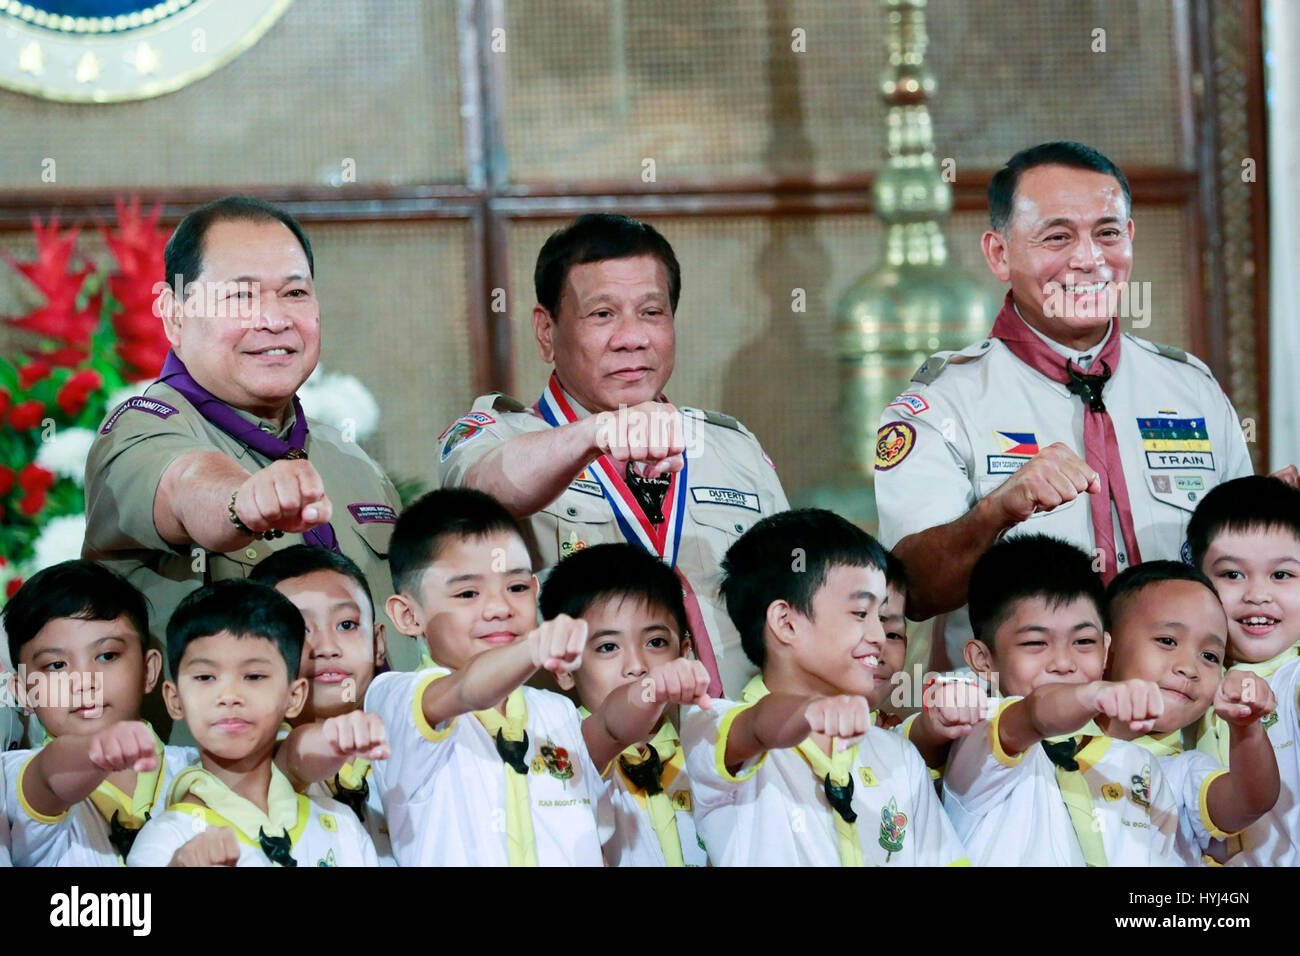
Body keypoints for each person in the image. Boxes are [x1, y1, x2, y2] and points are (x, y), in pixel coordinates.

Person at [873, 141, 1262, 672]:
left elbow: (1241, 573)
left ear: (1129, 238)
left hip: (1185, 724)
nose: (1088, 259)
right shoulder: (941, 403)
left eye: (1107, 233)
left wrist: (1275, 520)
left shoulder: (1188, 387)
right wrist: (996, 512)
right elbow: (911, 591)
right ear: (999, 254)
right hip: (1017, 734)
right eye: (1057, 236)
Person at [82, 196, 410, 727]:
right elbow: (187, 483)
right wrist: (242, 501)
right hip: (216, 796)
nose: (274, 319)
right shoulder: (142, 426)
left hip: (373, 786)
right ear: (172, 313)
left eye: (295, 293)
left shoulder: (348, 459)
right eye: (240, 296)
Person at [437, 214, 789, 698]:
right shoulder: (498, 435)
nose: (632, 337)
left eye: (652, 312)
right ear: (546, 332)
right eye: (602, 314)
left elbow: (793, 599)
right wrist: (597, 434)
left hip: (729, 755)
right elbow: (480, 495)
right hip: (568, 761)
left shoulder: (733, 448)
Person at [681, 509, 968, 867]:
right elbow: (760, 725)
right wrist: (811, 710)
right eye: (860, 614)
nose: (879, 638)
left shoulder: (899, 756)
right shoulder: (711, 727)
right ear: (786, 623)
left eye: (885, 622)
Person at [364, 488, 610, 866]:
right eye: (467, 593)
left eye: (516, 587)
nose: (499, 608)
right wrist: (534, 648)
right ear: (408, 616)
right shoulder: (394, 697)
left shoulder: (558, 710)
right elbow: (469, 689)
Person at [944, 534, 1196, 865]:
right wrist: (1091, 693)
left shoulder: (1139, 767)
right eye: (1035, 643)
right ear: (982, 659)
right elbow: (1035, 714)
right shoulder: (978, 734)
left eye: (1083, 641)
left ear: (1106, 648)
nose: (1063, 663)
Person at [127, 580, 380, 867]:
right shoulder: (166, 840)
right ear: (175, 700)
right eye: (205, 677)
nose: (229, 696)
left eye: (254, 676)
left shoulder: (340, 823)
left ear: (294, 696)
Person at [1, 561, 196, 866]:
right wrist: (97, 750)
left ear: (149, 670)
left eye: (106, 656)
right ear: (24, 691)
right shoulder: (12, 775)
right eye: (56, 665)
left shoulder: (197, 770)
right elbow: (52, 772)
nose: (83, 681)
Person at [539, 542, 713, 866]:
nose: (636, 665)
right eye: (608, 647)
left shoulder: (705, 749)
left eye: (656, 642)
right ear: (564, 668)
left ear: (684, 652)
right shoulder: (561, 755)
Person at [1104, 560, 1279, 863]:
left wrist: (1246, 727)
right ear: (1105, 647)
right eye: (1167, 641)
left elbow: (1251, 800)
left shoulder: (1185, 773)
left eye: (1210, 656)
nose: (1189, 668)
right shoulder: (1049, 741)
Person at [250, 546, 396, 864]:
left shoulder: (412, 747)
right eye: (300, 630)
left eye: (346, 625)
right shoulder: (249, 770)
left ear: (378, 643)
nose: (327, 648)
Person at [1186, 475, 1300, 864]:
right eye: (1232, 574)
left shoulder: (1294, 677)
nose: (1257, 594)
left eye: (1282, 575)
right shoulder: (1183, 678)